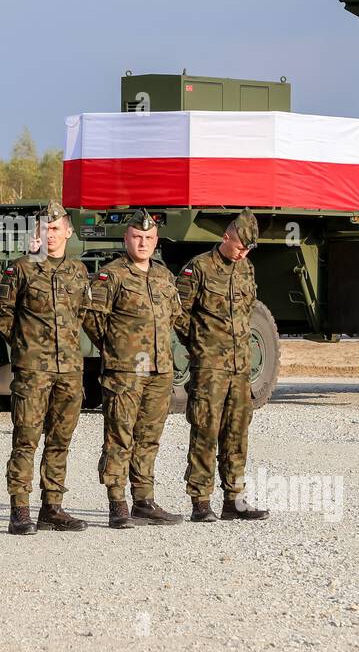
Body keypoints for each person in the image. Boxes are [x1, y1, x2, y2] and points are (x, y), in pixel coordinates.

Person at [82, 208, 188, 529]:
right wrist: (115, 349)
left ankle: (144, 499)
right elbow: (91, 318)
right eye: (137, 237)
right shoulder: (111, 275)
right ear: (126, 238)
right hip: (125, 371)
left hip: (159, 370)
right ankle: (117, 503)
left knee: (149, 435)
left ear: (156, 241)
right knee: (119, 435)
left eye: (149, 238)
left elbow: (175, 316)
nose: (143, 243)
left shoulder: (163, 276)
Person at [0, 201, 90, 535]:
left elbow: (82, 314)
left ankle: (52, 507)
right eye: (44, 229)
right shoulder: (21, 269)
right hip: (33, 369)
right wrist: (24, 345)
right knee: (26, 438)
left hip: (69, 370)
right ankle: (19, 509)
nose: (50, 235)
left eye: (55, 229)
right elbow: (3, 313)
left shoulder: (78, 271)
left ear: (67, 231)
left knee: (60, 439)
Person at [177, 209, 269, 521]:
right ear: (226, 237)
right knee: (206, 429)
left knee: (237, 431)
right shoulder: (199, 268)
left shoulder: (247, 268)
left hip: (240, 367)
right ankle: (201, 501)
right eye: (240, 245)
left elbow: (247, 309)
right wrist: (200, 344)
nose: (243, 252)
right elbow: (178, 313)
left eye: (248, 249)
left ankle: (234, 500)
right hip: (210, 367)